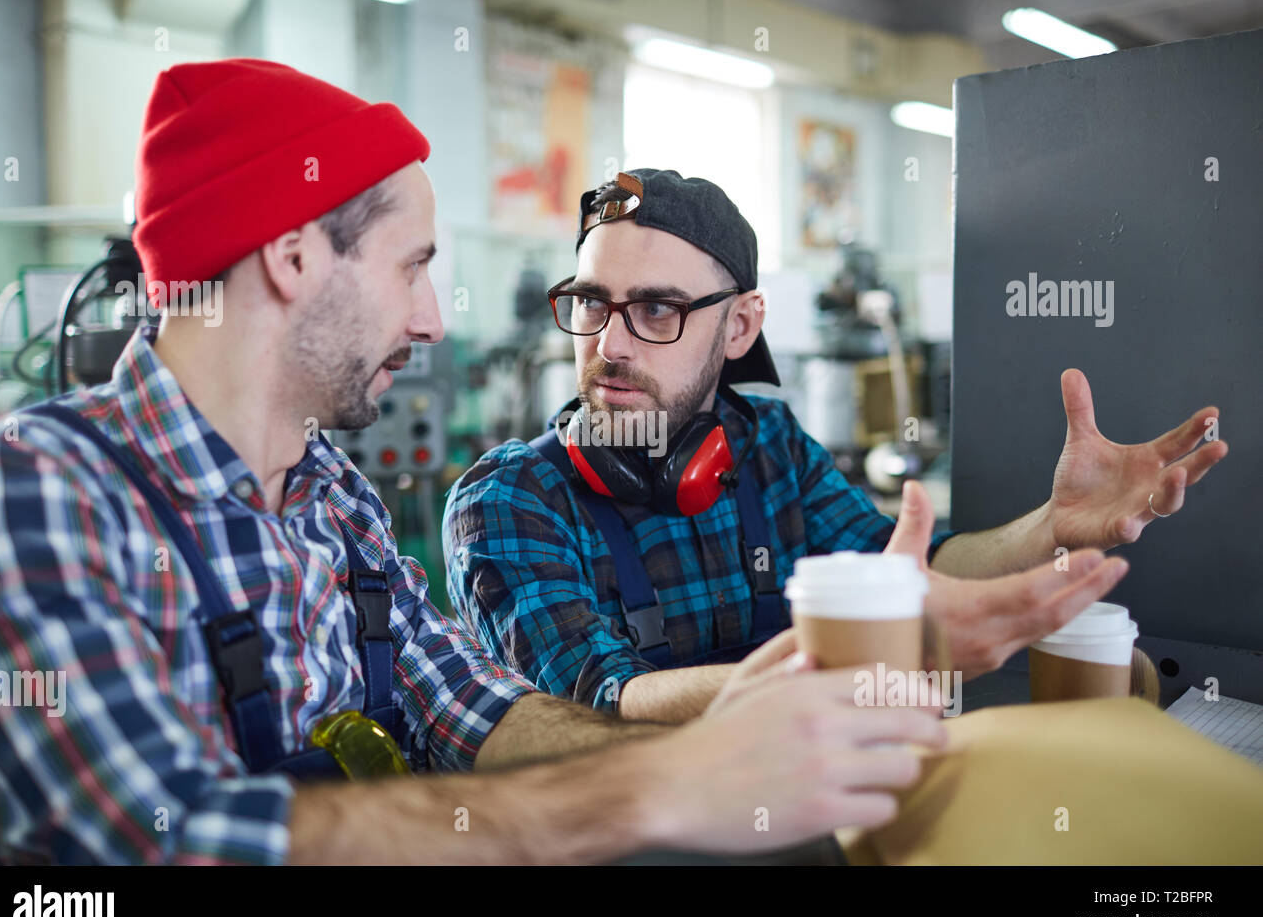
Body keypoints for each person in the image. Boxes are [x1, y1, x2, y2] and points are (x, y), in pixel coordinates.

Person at [0, 58, 968, 866]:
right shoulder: (31, 492)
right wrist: (662, 786)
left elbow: (482, 711)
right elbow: (158, 835)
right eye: (413, 267)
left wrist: (722, 738)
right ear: (294, 256)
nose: (434, 321)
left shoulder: (333, 501)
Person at [442, 168, 1226, 722]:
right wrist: (852, 666)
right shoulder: (507, 500)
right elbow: (598, 703)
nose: (609, 343)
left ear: (741, 325)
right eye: (591, 303)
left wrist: (1051, 526)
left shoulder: (767, 445)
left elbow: (906, 566)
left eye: (656, 310)